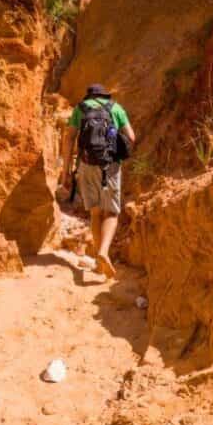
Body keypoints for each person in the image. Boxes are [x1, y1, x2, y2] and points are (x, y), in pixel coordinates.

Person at [61, 84, 135, 279]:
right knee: (111, 212)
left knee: (95, 213)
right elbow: (131, 137)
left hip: (86, 165)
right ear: (105, 95)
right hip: (110, 167)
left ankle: (99, 264)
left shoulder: (81, 108)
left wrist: (65, 171)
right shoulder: (115, 108)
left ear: (89, 96)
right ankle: (103, 251)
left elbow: (69, 138)